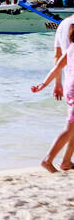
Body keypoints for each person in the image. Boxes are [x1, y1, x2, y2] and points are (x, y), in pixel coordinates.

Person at [31, 15, 74, 172]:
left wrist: (56, 84)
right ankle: (48, 159)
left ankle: (67, 161)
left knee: (73, 126)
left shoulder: (63, 25)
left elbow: (57, 60)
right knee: (70, 128)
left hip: (69, 84)